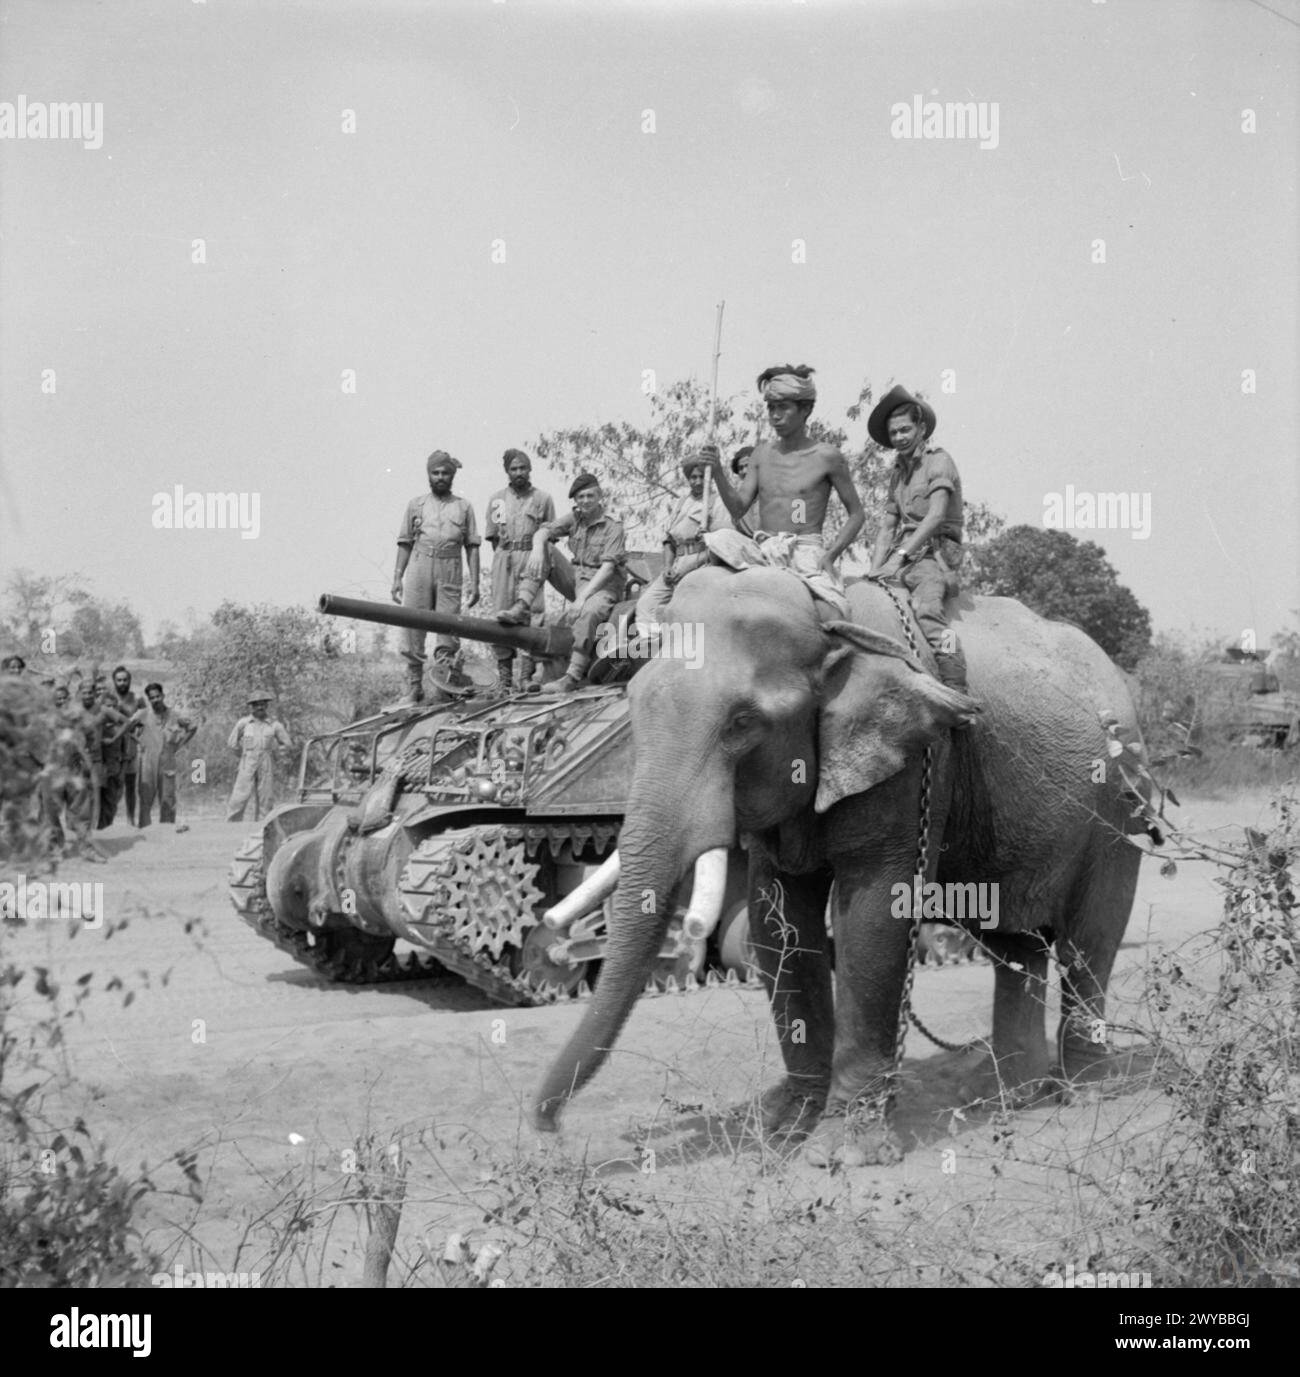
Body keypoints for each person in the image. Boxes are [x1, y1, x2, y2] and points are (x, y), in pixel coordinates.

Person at [703, 364, 864, 616]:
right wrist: (718, 473)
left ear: (806, 409)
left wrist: (830, 556)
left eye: (783, 407)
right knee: (719, 541)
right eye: (770, 408)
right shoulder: (761, 454)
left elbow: (857, 514)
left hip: (805, 554)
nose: (774, 415)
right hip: (762, 551)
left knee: (836, 614)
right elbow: (737, 508)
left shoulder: (827, 456)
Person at [866, 385, 969, 692]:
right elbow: (887, 527)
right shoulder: (897, 472)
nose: (899, 438)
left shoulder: (939, 461)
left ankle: (956, 685)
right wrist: (875, 570)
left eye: (905, 430)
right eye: (894, 433)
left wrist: (897, 559)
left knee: (927, 611)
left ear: (922, 428)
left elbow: (935, 516)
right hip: (905, 550)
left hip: (936, 551)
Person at [496, 473, 626, 692]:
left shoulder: (613, 526)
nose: (585, 501)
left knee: (588, 613)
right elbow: (543, 531)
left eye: (589, 495)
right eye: (580, 497)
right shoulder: (575, 518)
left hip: (604, 585)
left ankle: (572, 676)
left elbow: (608, 569)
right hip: (578, 579)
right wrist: (538, 548)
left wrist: (581, 600)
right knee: (546, 548)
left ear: (599, 496)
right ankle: (522, 605)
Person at [391, 450, 481, 704]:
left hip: (450, 565)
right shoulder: (416, 505)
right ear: (429, 475)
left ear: (452, 476)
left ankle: (446, 686)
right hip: (420, 564)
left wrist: (475, 583)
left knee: (448, 628)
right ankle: (413, 688)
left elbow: (472, 547)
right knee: (412, 626)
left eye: (445, 473)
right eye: (436, 473)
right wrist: (398, 577)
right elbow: (405, 542)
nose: (440, 477)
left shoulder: (463, 507)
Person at [634, 453, 732, 634]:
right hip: (677, 565)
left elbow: (723, 541)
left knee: (688, 611)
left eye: (702, 476)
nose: (697, 481)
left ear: (709, 479)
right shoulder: (681, 503)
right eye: (693, 477)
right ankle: (653, 647)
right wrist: (667, 567)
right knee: (646, 605)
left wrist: (707, 537)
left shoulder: (718, 503)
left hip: (702, 565)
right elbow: (669, 540)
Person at [484, 448, 556, 692]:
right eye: (514, 469)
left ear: (530, 469)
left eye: (523, 468)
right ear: (507, 472)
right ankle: (505, 680)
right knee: (502, 613)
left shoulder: (543, 499)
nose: (519, 473)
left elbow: (550, 535)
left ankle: (527, 676)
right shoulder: (498, 500)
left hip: (532, 556)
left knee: (533, 615)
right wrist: (507, 556)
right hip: (505, 556)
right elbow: (494, 537)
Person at [129, 683, 197, 827]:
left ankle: (166, 833)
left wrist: (180, 745)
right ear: (148, 699)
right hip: (147, 761)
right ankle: (145, 833)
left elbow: (192, 727)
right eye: (151, 697)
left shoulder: (174, 715)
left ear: (163, 696)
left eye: (157, 696)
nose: (155, 700)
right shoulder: (143, 714)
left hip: (167, 761)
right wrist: (139, 742)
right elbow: (127, 728)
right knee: (145, 798)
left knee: (168, 799)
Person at [226, 691, 292, 822]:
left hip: (266, 762)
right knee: (239, 797)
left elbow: (288, 744)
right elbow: (232, 744)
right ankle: (232, 825)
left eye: (262, 704)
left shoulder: (274, 725)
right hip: (247, 762)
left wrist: (275, 753)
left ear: (267, 706)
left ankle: (262, 826)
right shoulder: (243, 723)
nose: (259, 707)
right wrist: (244, 756)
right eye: (256, 705)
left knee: (265, 797)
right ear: (251, 707)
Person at [100, 665, 142, 827]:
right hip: (111, 749)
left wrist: (137, 733)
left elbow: (140, 722)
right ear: (114, 681)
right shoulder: (108, 699)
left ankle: (131, 820)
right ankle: (105, 821)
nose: (122, 683)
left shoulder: (136, 699)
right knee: (112, 787)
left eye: (125, 679)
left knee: (130, 785)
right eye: (119, 680)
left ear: (130, 680)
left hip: (130, 747)